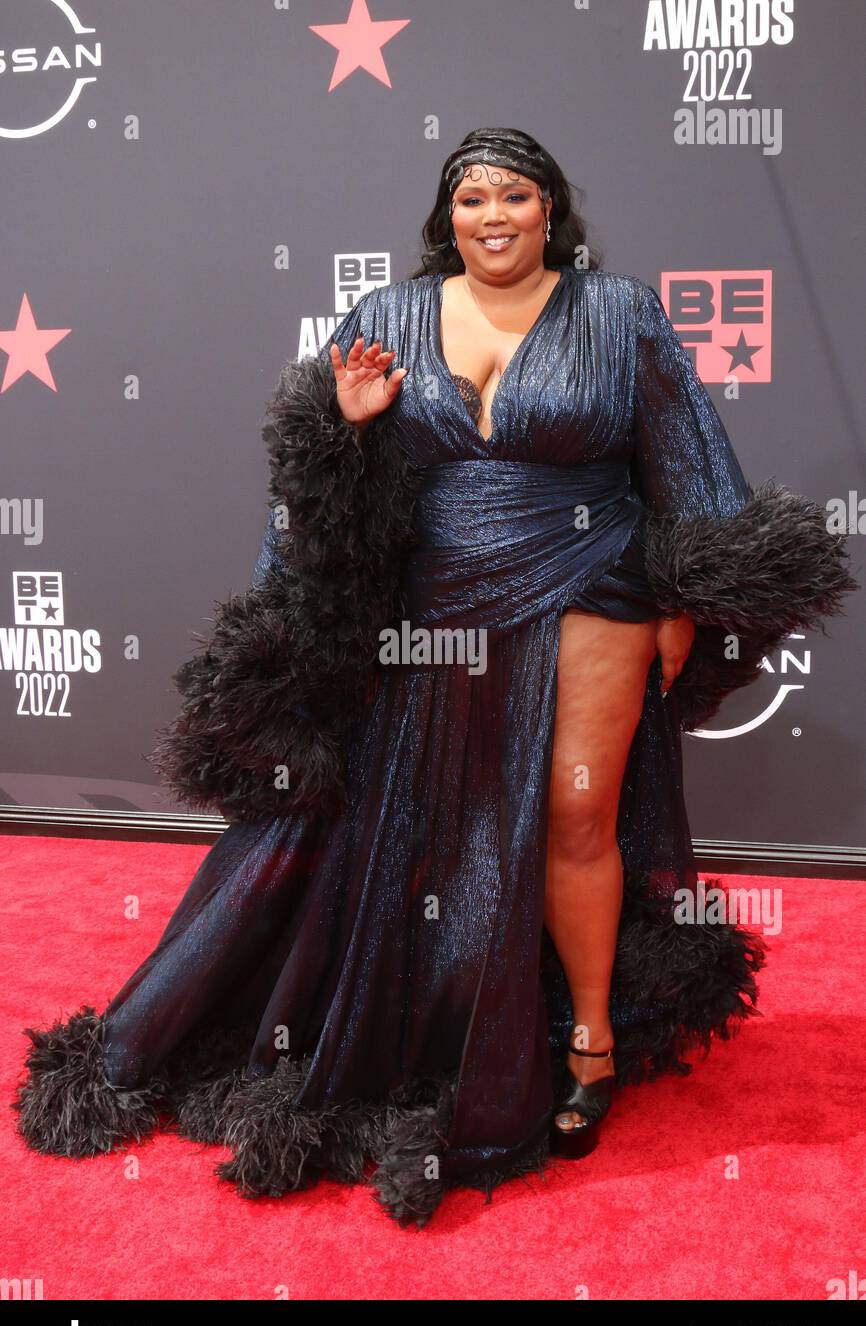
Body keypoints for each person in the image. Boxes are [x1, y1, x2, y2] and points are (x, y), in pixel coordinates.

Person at [13, 128, 858, 1229]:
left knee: (572, 811)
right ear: (445, 216)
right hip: (429, 610)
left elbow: (682, 455)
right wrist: (352, 432)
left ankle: (588, 1040)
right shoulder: (385, 319)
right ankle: (438, 1023)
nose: (492, 214)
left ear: (550, 208)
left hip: (588, 583)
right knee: (422, 829)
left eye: (514, 193)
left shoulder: (618, 313)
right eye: (471, 197)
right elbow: (325, 504)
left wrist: (682, 595)